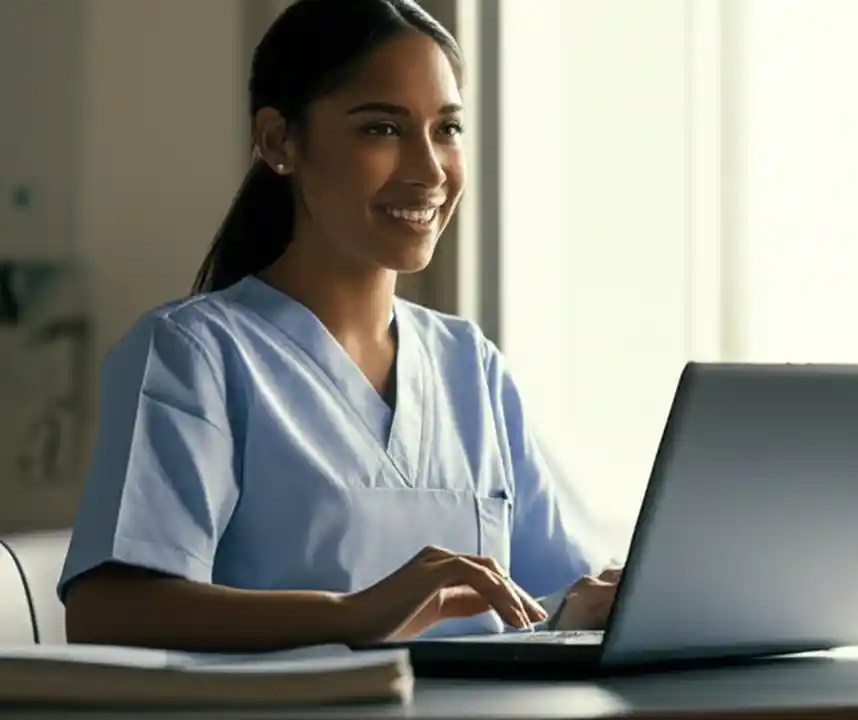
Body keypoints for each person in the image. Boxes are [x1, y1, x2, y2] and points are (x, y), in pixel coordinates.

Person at [58, 0, 619, 651]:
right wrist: (351, 615)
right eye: (382, 129)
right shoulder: (193, 355)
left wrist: (599, 602)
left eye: (447, 128)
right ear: (279, 141)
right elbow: (108, 613)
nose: (430, 169)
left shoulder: (470, 365)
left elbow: (555, 592)